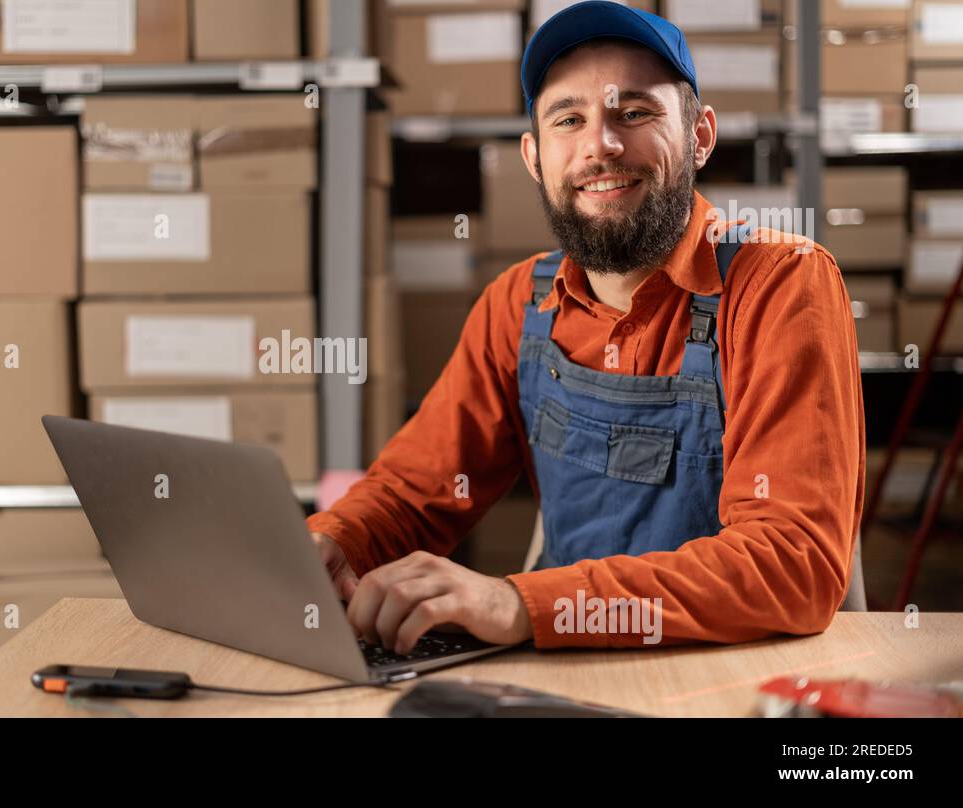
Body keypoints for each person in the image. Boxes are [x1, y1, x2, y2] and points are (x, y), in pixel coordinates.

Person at [308, 1, 864, 655]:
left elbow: (791, 565)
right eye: (568, 119)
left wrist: (521, 602)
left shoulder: (781, 286)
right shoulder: (518, 303)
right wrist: (332, 544)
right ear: (535, 156)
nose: (600, 144)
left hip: (732, 670)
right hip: (566, 666)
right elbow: (417, 491)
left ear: (701, 136)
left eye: (635, 113)